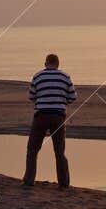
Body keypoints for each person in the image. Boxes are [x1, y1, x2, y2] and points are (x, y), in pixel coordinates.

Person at [23, 53, 75, 188]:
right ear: (58, 64)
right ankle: (63, 183)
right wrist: (60, 103)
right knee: (59, 151)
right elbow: (72, 97)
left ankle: (29, 180)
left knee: (32, 149)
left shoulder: (38, 76)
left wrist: (43, 101)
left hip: (40, 115)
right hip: (58, 116)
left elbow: (31, 96)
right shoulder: (65, 77)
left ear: (46, 63)